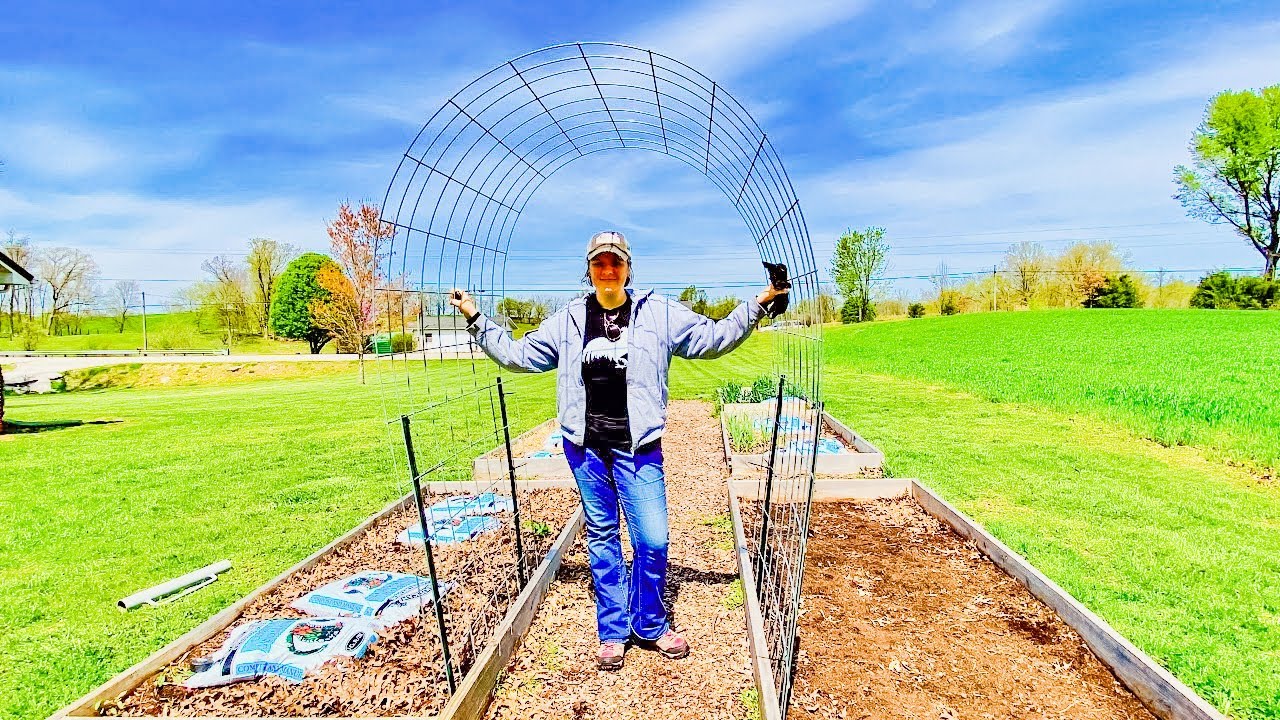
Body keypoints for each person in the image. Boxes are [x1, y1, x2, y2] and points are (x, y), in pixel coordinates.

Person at [450, 230, 786, 671]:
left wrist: (760, 303)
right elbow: (518, 355)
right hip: (585, 449)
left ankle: (649, 622)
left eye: (616, 262)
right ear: (589, 270)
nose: (608, 270)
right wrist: (476, 317)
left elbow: (714, 337)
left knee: (653, 538)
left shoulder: (658, 312)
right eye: (599, 263)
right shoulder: (569, 319)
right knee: (603, 535)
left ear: (628, 268)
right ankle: (613, 630)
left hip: (637, 447)